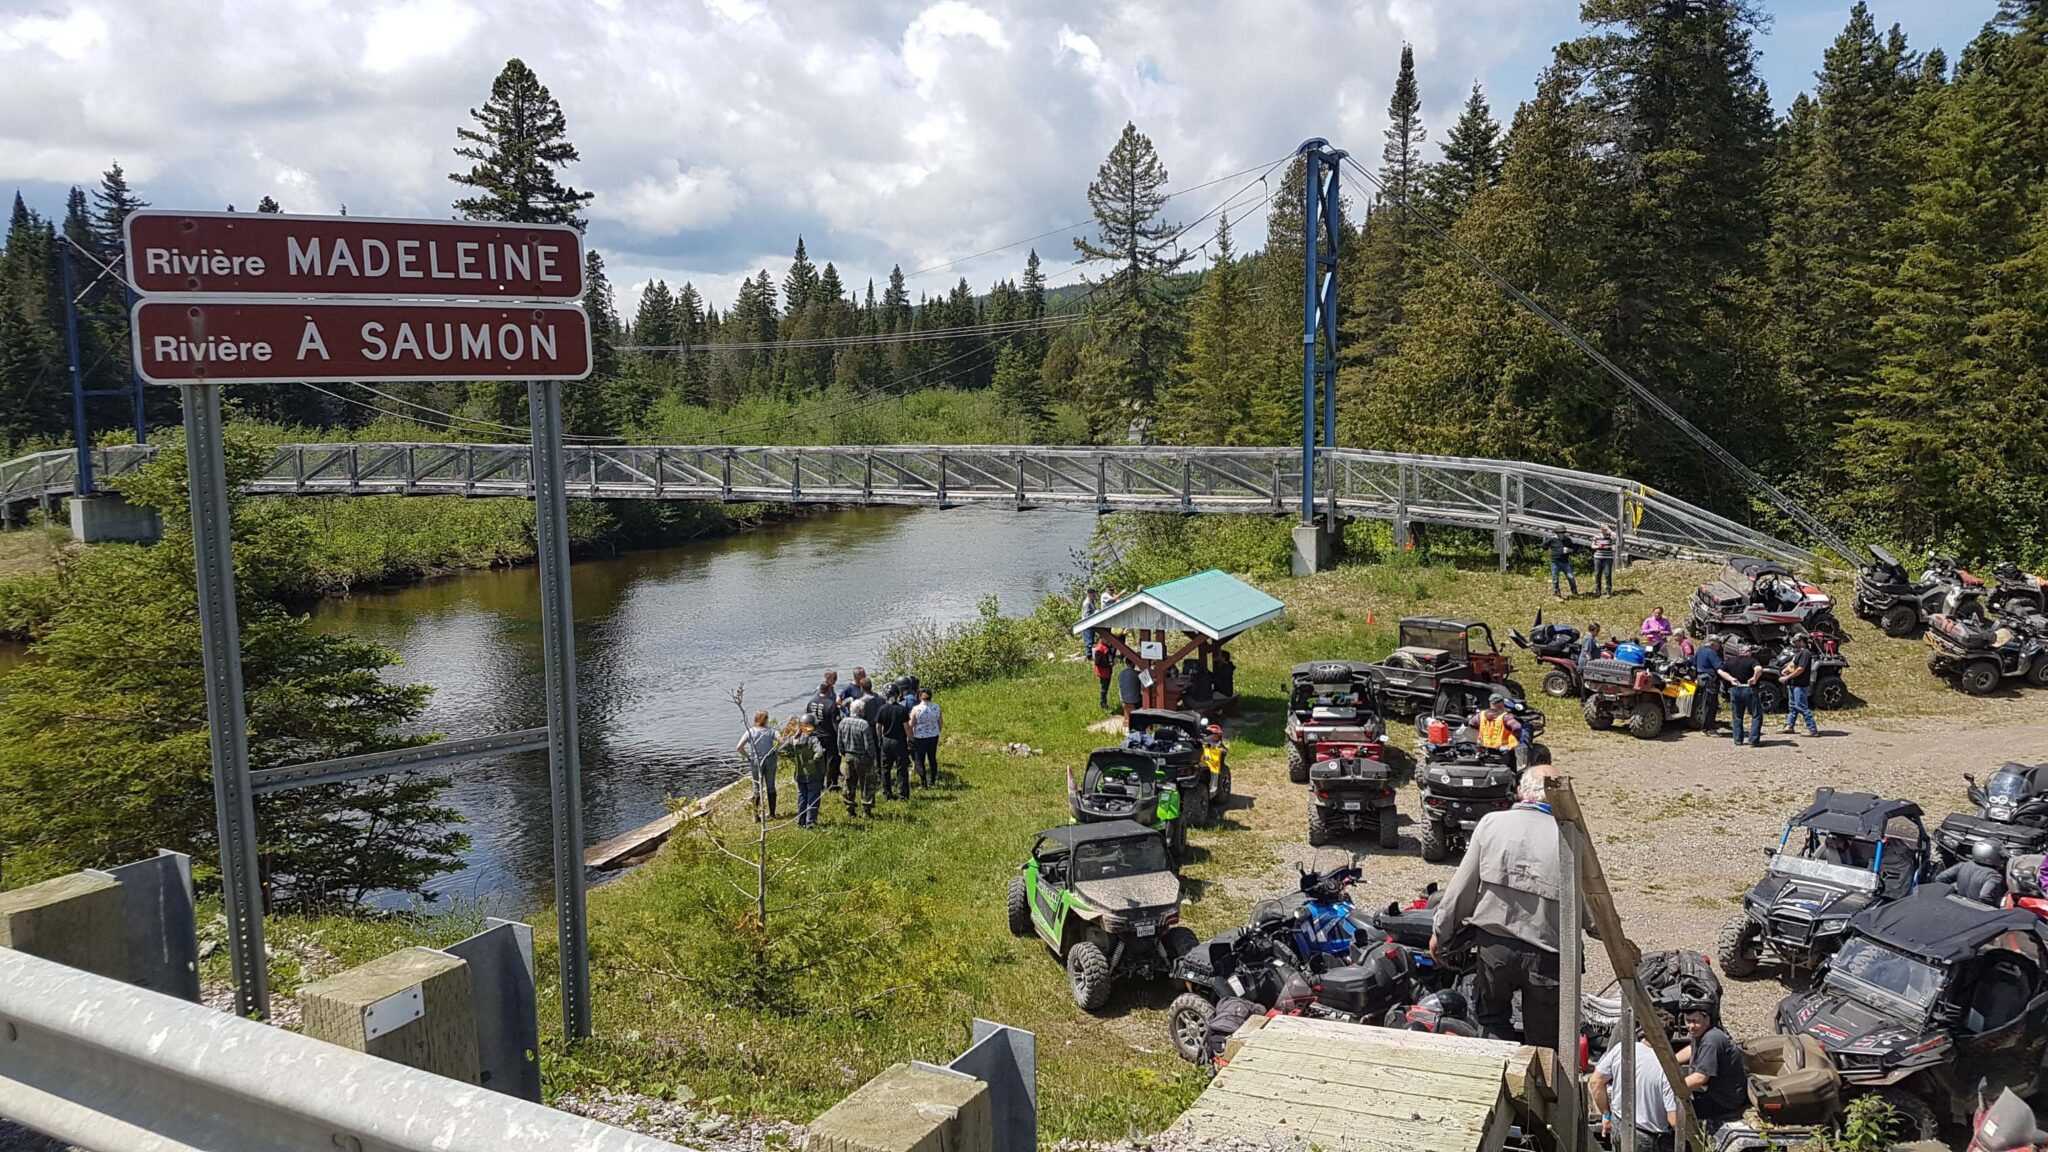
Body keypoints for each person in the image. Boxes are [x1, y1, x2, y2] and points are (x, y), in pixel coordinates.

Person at [1430, 766, 1591, 1047]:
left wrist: (1441, 933)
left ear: (1519, 791)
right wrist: (1611, 939)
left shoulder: (1491, 824)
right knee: (1546, 1039)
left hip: (1496, 948)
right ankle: (1544, 1075)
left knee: (1492, 1020)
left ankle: (1497, 1070)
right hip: (1549, 954)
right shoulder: (1571, 837)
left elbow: (1461, 889)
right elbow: (1590, 904)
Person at [1590, 1031, 1681, 1152]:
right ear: (1671, 1036)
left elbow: (1595, 1082)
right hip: (1647, 1139)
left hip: (1619, 1127)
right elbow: (1674, 1120)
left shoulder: (1622, 1049)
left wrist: (1606, 1115)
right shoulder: (1667, 1067)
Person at [1677, 1008, 1747, 1137]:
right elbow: (1692, 1049)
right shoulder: (1703, 1033)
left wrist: (1670, 1087)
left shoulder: (1711, 1040)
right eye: (1688, 1021)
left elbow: (1700, 1078)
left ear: (1707, 1019)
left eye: (1696, 1021)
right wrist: (1670, 1061)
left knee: (1675, 1111)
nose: (1691, 1026)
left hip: (1723, 1099)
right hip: (1714, 1090)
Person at [836, 697, 880, 817]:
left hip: (848, 756)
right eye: (863, 709)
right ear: (860, 711)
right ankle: (867, 810)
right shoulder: (864, 724)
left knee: (849, 783)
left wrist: (843, 753)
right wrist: (873, 756)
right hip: (863, 758)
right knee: (867, 784)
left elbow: (839, 742)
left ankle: (849, 809)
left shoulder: (843, 722)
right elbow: (868, 744)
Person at [779, 717, 825, 828]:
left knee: (802, 798)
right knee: (813, 799)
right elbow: (819, 753)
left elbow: (780, 750)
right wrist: (813, 760)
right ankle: (810, 823)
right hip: (813, 773)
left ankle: (800, 822)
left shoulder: (794, 739)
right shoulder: (813, 739)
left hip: (799, 774)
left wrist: (793, 757)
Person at [1468, 691, 1530, 769]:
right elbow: (1517, 727)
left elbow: (1471, 723)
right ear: (1501, 704)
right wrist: (1513, 736)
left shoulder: (1481, 715)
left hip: (1484, 751)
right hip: (1503, 753)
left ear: (1491, 703)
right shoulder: (1505, 717)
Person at [737, 709, 780, 818]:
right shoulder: (771, 731)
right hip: (770, 760)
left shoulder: (750, 732)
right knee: (771, 786)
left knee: (757, 787)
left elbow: (739, 747)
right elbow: (782, 740)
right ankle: (772, 813)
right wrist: (776, 750)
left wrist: (748, 757)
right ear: (766, 720)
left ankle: (756, 816)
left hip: (756, 760)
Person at [1720, 641, 1764, 746]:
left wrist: (1730, 679)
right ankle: (1753, 740)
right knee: (1756, 715)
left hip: (1735, 689)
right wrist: (1754, 678)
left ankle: (1738, 740)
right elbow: (1759, 669)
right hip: (1749, 689)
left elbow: (1720, 671)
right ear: (1747, 652)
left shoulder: (1731, 661)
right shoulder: (1752, 661)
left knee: (1737, 716)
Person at [1937, 840, 2010, 904]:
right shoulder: (1994, 876)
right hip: (1979, 911)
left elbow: (1940, 879)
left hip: (1957, 905)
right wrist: (1999, 904)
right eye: (2000, 856)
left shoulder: (1963, 865)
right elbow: (1985, 896)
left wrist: (1952, 894)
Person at [874, 686, 912, 800]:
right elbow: (906, 727)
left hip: (886, 740)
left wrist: (880, 738)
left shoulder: (882, 709)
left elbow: (878, 726)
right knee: (902, 768)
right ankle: (903, 794)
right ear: (898, 695)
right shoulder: (902, 709)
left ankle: (887, 793)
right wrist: (911, 739)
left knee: (885, 769)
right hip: (899, 741)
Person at [805, 680, 842, 792]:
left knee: (819, 760)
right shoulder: (831, 704)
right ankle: (831, 785)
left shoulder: (811, 702)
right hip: (829, 736)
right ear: (829, 690)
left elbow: (807, 721)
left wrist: (808, 735)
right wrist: (839, 736)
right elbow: (835, 723)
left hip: (815, 735)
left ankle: (819, 784)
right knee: (832, 760)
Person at [1780, 634, 1819, 737]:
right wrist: (1786, 670)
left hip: (1800, 685)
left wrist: (1787, 677)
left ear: (1802, 642)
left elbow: (1800, 669)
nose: (1794, 643)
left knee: (1801, 706)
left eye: (1796, 641)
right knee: (1792, 706)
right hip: (1793, 684)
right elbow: (1792, 664)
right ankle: (1789, 726)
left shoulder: (1805, 653)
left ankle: (1812, 729)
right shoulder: (1797, 653)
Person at [909, 687, 943, 788]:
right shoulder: (936, 707)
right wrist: (937, 731)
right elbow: (940, 722)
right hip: (933, 736)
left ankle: (923, 782)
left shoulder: (916, 709)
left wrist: (910, 736)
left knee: (920, 760)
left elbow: (911, 724)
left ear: (920, 697)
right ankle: (932, 780)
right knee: (932, 758)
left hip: (919, 737)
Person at [1692, 636, 1724, 733]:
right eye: (1718, 643)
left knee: (1705, 702)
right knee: (1710, 704)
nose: (1719, 645)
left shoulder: (1700, 651)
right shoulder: (1711, 653)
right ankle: (1707, 728)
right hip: (1709, 679)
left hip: (1701, 679)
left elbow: (1693, 663)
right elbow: (1719, 666)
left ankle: (1710, 724)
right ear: (1713, 643)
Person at [1541, 528, 1579, 597]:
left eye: (1563, 532)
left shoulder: (1568, 540)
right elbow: (1544, 546)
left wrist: (1569, 550)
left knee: (1571, 577)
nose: (1562, 534)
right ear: (1557, 533)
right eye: (1560, 533)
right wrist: (1549, 551)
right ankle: (1557, 593)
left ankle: (1574, 592)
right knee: (1555, 578)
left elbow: (1574, 550)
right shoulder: (1552, 539)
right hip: (1554, 562)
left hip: (1565, 562)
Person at [1117, 656, 1144, 725]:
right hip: (1136, 700)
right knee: (1146, 699)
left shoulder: (1120, 673)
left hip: (1124, 699)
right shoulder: (1138, 674)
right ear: (1133, 663)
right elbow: (1146, 685)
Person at [1591, 527, 1616, 596]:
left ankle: (1608, 591)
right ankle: (1598, 590)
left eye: (1605, 529)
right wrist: (1598, 546)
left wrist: (1610, 531)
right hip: (1598, 557)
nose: (1604, 530)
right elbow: (1592, 546)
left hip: (1608, 558)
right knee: (1597, 574)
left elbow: (1616, 537)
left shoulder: (1610, 536)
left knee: (1607, 574)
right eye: (1602, 529)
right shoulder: (1596, 536)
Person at [1092, 637, 1115, 709]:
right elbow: (1097, 662)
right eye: (1106, 638)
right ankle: (1103, 704)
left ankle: (1104, 703)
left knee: (1105, 687)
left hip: (1106, 671)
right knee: (1104, 688)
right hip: (1103, 672)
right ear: (1102, 638)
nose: (1108, 640)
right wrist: (1108, 664)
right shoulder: (1099, 649)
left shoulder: (1106, 645)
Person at [1080, 587, 1101, 659]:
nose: (1095, 596)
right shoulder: (1087, 603)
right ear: (1089, 595)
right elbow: (1086, 615)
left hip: (1090, 624)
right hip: (1087, 625)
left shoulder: (1091, 601)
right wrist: (1095, 613)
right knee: (1089, 641)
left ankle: (1089, 656)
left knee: (1091, 640)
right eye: (1093, 595)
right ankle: (1088, 656)